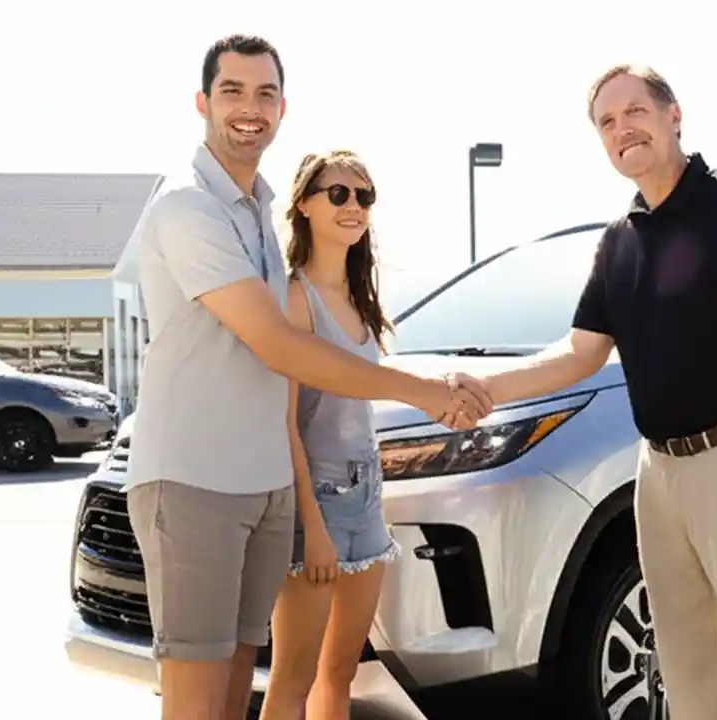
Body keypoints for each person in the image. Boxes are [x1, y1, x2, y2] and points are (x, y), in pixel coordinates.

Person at [117, 35, 490, 720]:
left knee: (234, 697)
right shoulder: (186, 209)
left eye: (264, 94)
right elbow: (277, 345)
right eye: (232, 91)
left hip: (259, 489)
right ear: (203, 103)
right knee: (198, 705)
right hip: (194, 482)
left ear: (282, 108)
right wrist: (426, 395)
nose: (249, 108)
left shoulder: (254, 213)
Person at [473, 65, 717, 720]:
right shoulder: (619, 242)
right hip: (658, 474)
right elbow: (580, 353)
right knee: (687, 664)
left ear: (674, 115)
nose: (622, 130)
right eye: (607, 123)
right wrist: (481, 387)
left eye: (634, 111)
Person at [258, 150, 401, 720]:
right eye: (338, 194)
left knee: (340, 673)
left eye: (363, 196)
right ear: (304, 205)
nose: (353, 207)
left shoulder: (362, 299)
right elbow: (284, 421)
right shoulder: (296, 300)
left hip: (368, 502)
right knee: (291, 679)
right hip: (313, 503)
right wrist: (312, 527)